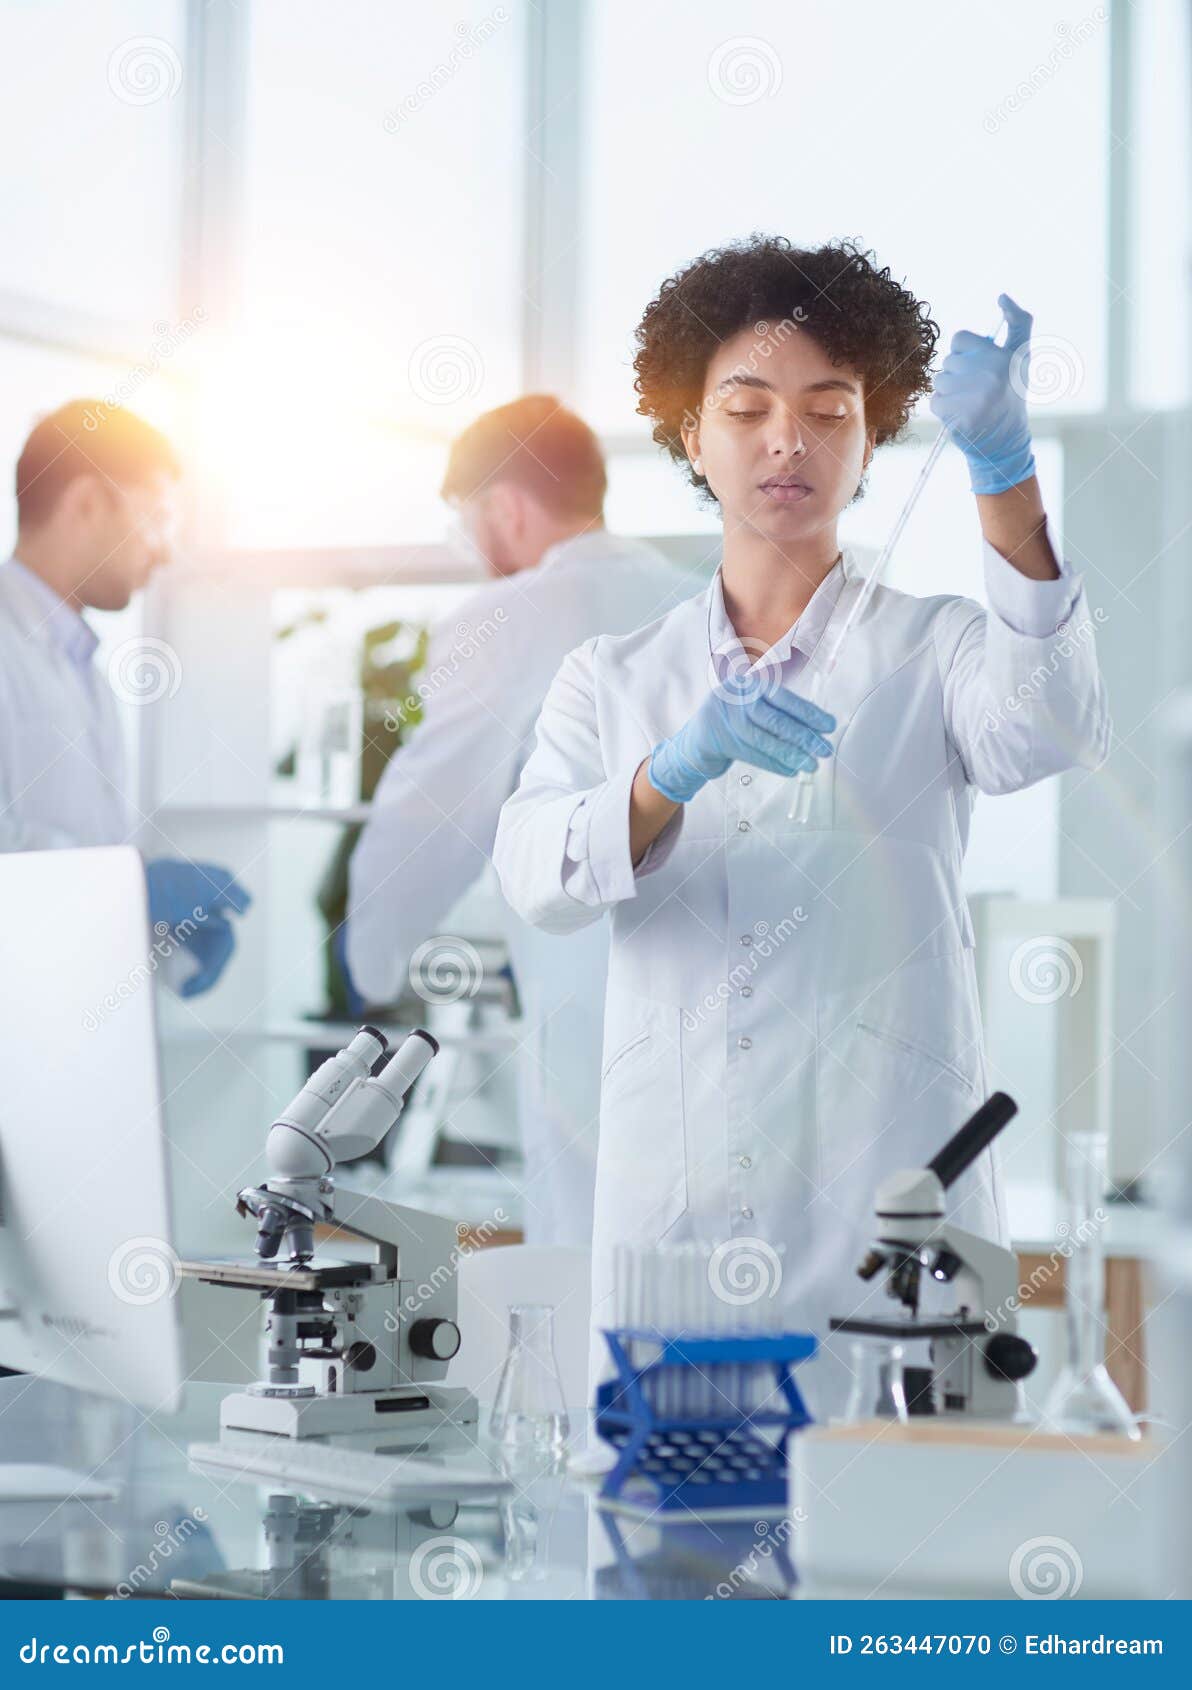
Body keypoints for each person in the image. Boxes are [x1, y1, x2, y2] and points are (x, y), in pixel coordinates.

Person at [492, 238, 1110, 1417]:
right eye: (748, 407)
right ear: (690, 434)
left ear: (870, 440)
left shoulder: (928, 648)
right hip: (677, 1249)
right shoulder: (611, 677)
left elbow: (1047, 727)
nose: (790, 439)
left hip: (891, 1240)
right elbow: (536, 874)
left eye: (832, 409)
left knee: (908, 1575)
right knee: (667, 1571)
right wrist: (667, 773)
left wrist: (1002, 470)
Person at [347, 395, 691, 1243]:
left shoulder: (507, 617)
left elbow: (430, 816)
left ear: (503, 505)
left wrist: (371, 958)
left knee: (588, 1254)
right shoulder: (697, 594)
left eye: (468, 520)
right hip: (727, 985)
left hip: (585, 993)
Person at [0, 401, 249, 995]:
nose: (164, 551)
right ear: (86, 502)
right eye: (157, 518)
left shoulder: (81, 663)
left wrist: (152, 921)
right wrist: (134, 884)